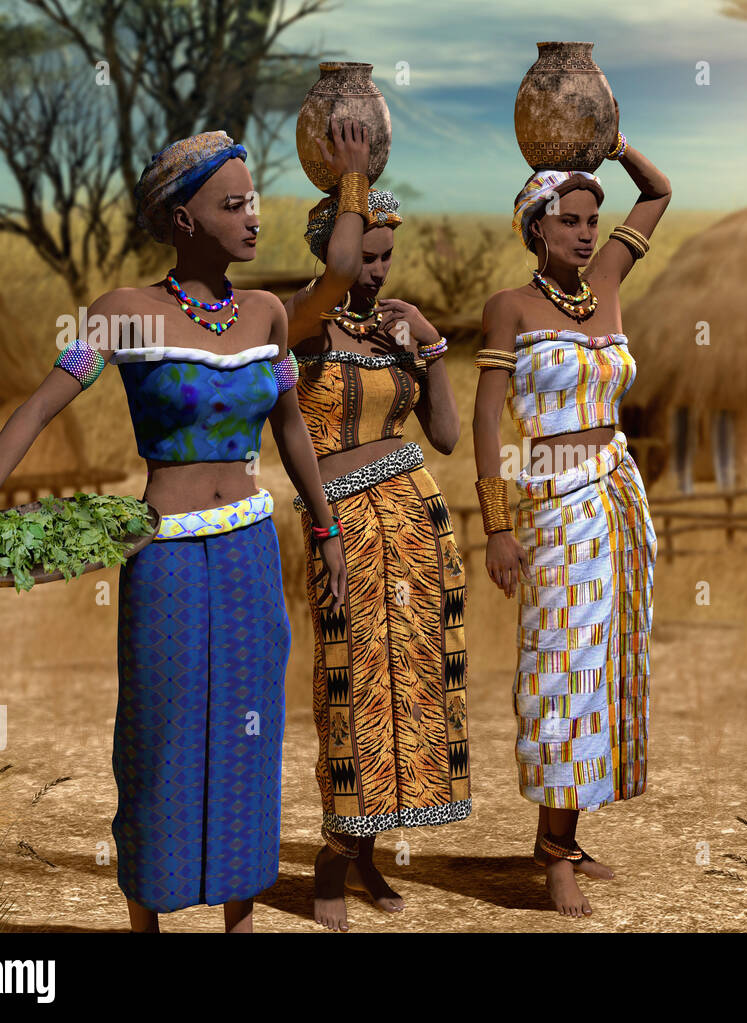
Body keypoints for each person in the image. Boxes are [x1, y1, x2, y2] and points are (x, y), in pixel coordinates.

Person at [0, 130, 346, 933]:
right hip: (165, 557)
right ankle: (146, 921)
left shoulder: (265, 314)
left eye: (253, 201)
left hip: (252, 554)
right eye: (232, 206)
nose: (253, 217)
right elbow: (39, 405)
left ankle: (238, 919)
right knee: (159, 735)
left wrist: (324, 527)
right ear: (183, 221)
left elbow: (292, 430)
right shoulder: (124, 314)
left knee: (246, 735)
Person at [471, 110, 669, 917]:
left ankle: (567, 835)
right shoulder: (509, 308)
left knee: (607, 671)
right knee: (560, 674)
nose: (589, 234)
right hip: (550, 502)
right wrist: (497, 525)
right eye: (571, 220)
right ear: (536, 224)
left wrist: (610, 145)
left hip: (616, 496)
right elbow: (486, 421)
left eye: (594, 221)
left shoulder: (611, 284)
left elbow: (658, 191)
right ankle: (552, 850)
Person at [284, 117, 470, 933]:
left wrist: (425, 354)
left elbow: (451, 437)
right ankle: (333, 855)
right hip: (343, 532)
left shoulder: (395, 324)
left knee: (412, 694)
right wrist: (350, 181)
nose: (376, 269)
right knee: (349, 692)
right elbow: (329, 281)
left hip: (417, 523)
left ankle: (369, 849)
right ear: (337, 250)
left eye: (388, 255)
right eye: (366, 252)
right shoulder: (296, 322)